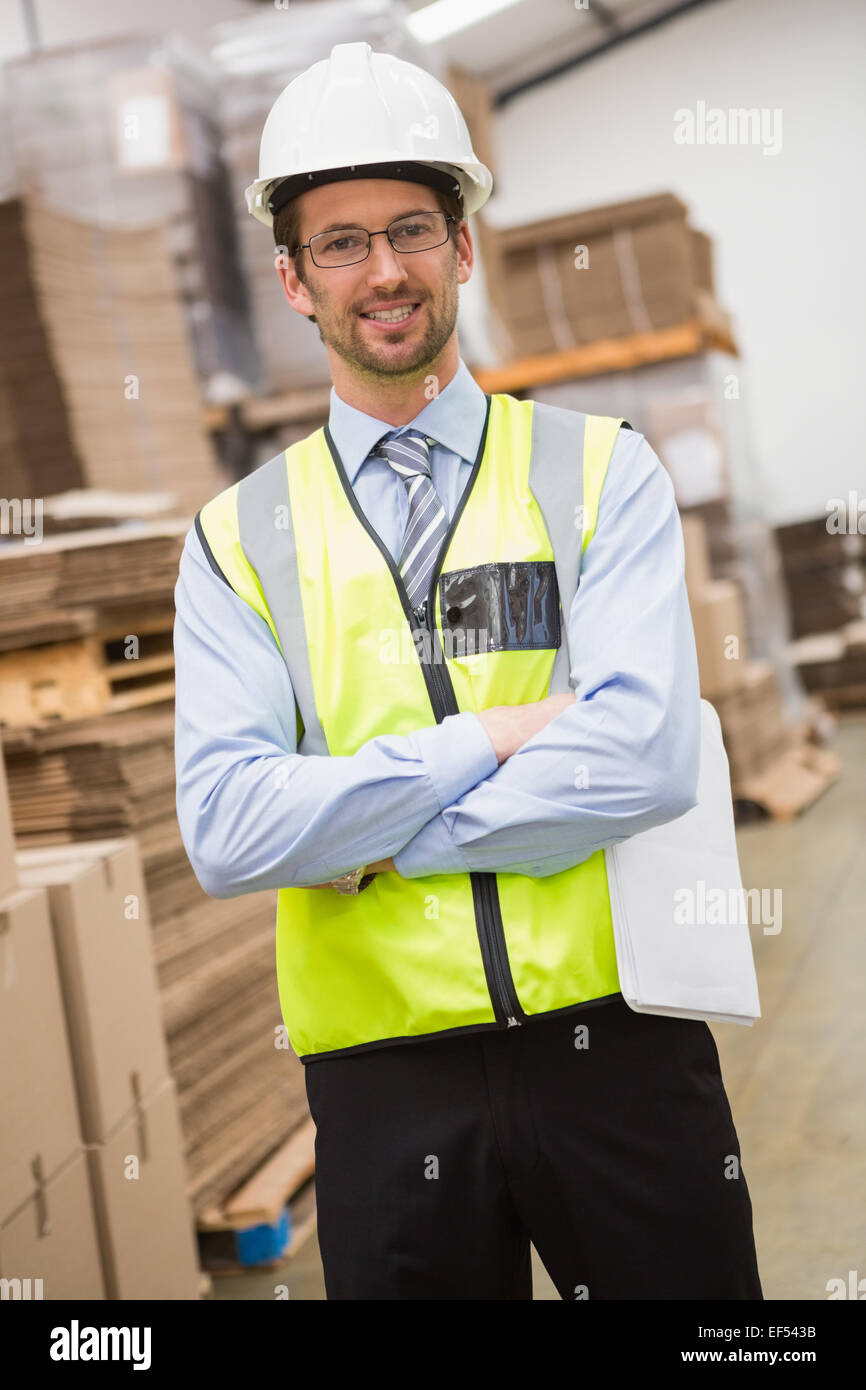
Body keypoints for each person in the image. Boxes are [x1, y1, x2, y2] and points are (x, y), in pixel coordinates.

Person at [173, 41, 762, 1300]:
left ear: (464, 245)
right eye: (339, 242)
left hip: (620, 1054)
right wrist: (481, 742)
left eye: (411, 229)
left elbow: (643, 756)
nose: (383, 270)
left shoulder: (601, 472)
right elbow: (227, 829)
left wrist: (366, 836)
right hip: (385, 1096)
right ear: (289, 278)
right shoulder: (237, 542)